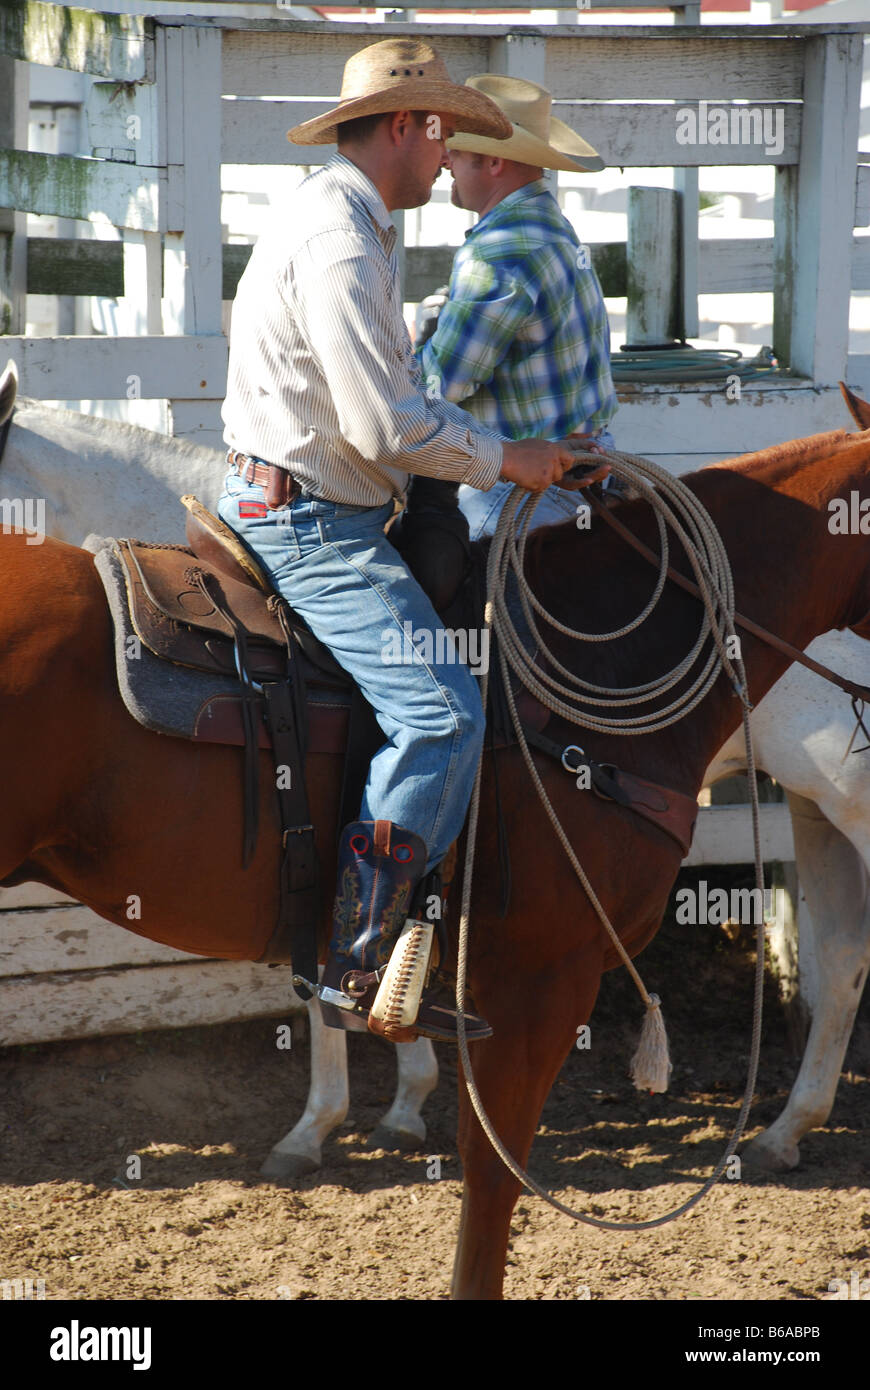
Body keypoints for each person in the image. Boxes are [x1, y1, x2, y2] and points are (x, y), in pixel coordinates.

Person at [219, 38, 580, 1043]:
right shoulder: (342, 238)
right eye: (442, 130)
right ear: (403, 127)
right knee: (444, 715)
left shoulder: (344, 218)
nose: (449, 150)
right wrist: (514, 459)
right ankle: (356, 955)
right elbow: (387, 425)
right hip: (311, 520)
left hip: (309, 498)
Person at [416, 74, 618, 541]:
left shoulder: (499, 252)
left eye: (457, 151)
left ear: (492, 161)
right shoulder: (551, 227)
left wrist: (407, 354)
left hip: (518, 491)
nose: (445, 159)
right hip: (574, 472)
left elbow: (439, 387)